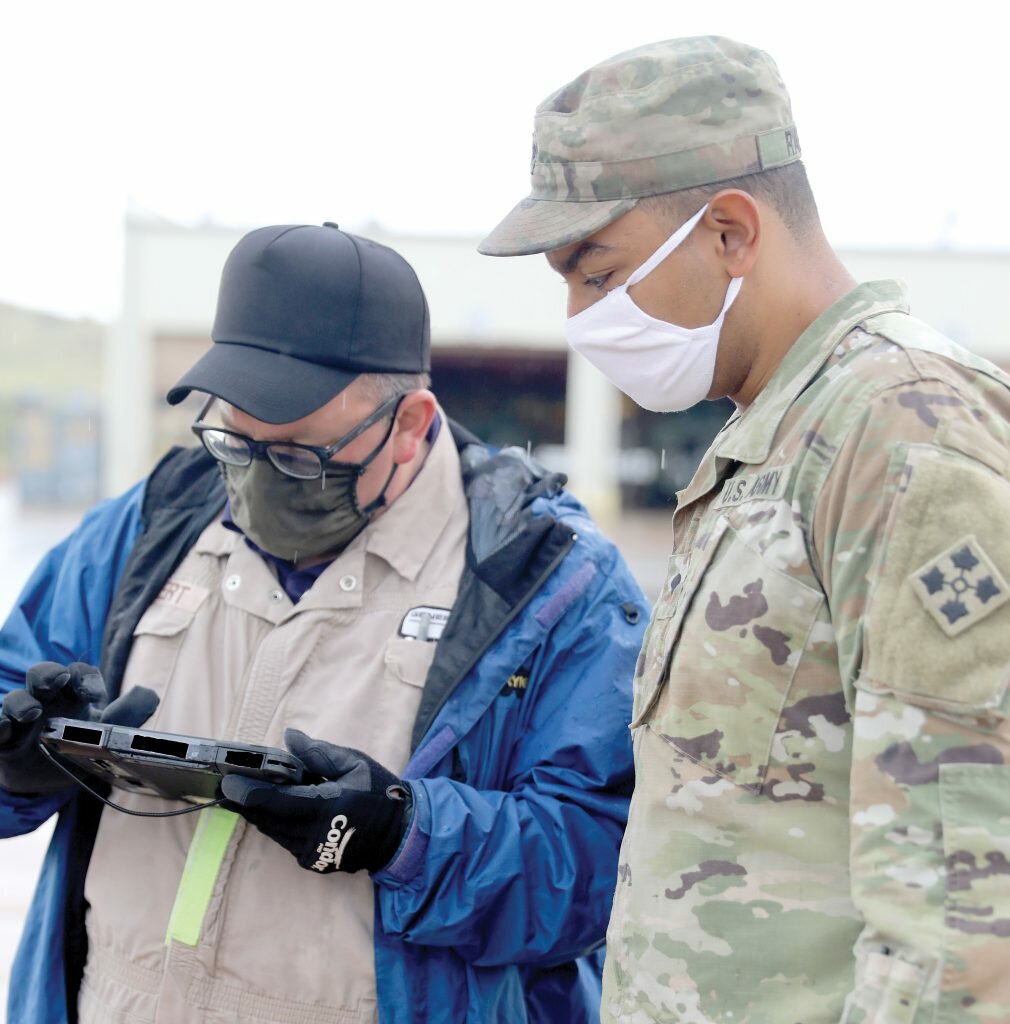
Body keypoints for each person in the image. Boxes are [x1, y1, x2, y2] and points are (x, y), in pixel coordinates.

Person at [479, 34, 1010, 1023]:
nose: (578, 314)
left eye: (595, 271)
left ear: (727, 232)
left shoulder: (900, 432)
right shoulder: (770, 441)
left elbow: (961, 905)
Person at [0, 223, 648, 1024]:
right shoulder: (145, 526)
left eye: (303, 456)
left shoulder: (550, 584)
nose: (261, 480)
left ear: (411, 423)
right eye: (236, 443)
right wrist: (19, 762)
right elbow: (10, 696)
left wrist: (404, 837)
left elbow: (607, 870)